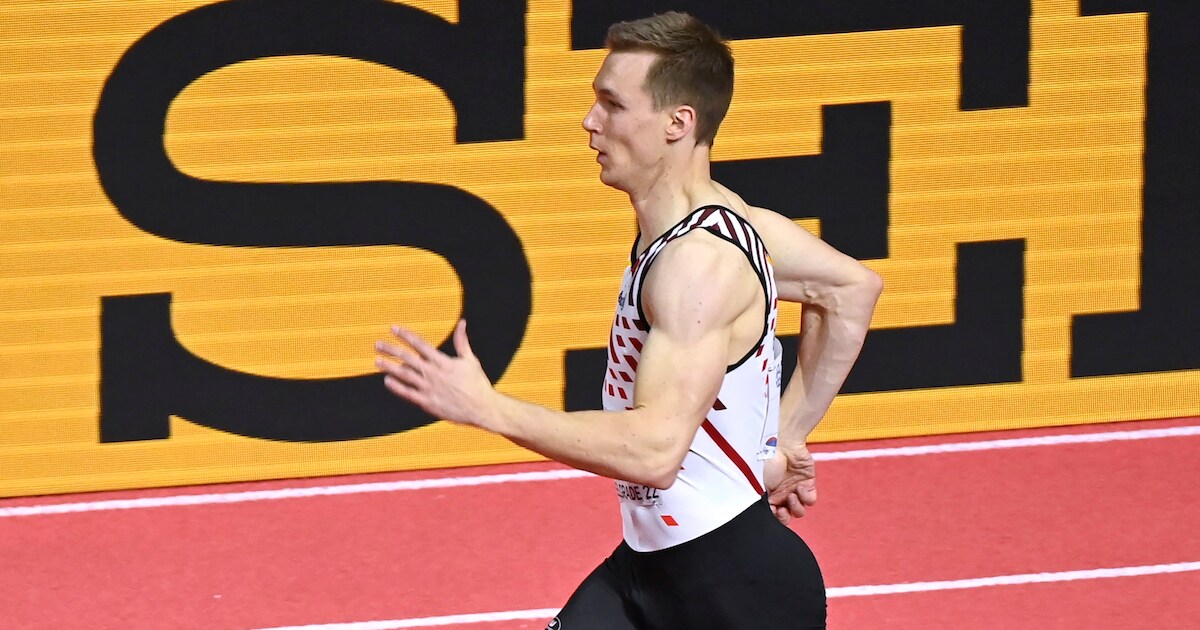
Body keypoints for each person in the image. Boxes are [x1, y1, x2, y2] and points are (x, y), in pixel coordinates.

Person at [376, 11, 882, 629]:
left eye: (612, 104)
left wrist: (489, 409)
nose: (590, 121)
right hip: (649, 572)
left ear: (678, 123)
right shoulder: (732, 224)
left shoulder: (699, 265)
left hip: (736, 596)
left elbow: (654, 452)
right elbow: (851, 290)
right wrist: (780, 438)